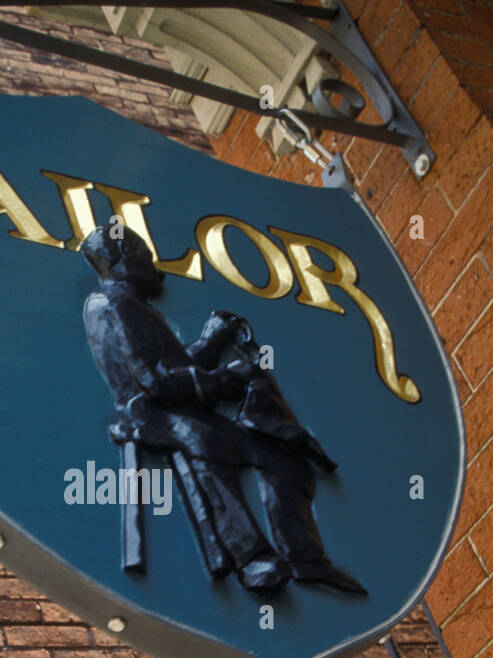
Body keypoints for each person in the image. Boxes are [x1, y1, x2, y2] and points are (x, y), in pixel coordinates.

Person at [81, 225, 366, 597]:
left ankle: (306, 559)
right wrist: (217, 382)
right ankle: (250, 559)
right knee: (201, 439)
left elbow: (177, 366)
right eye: (145, 258)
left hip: (174, 407)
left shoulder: (134, 305)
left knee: (284, 459)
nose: (155, 268)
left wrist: (212, 340)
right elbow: (155, 382)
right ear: (123, 259)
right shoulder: (115, 303)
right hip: (150, 414)